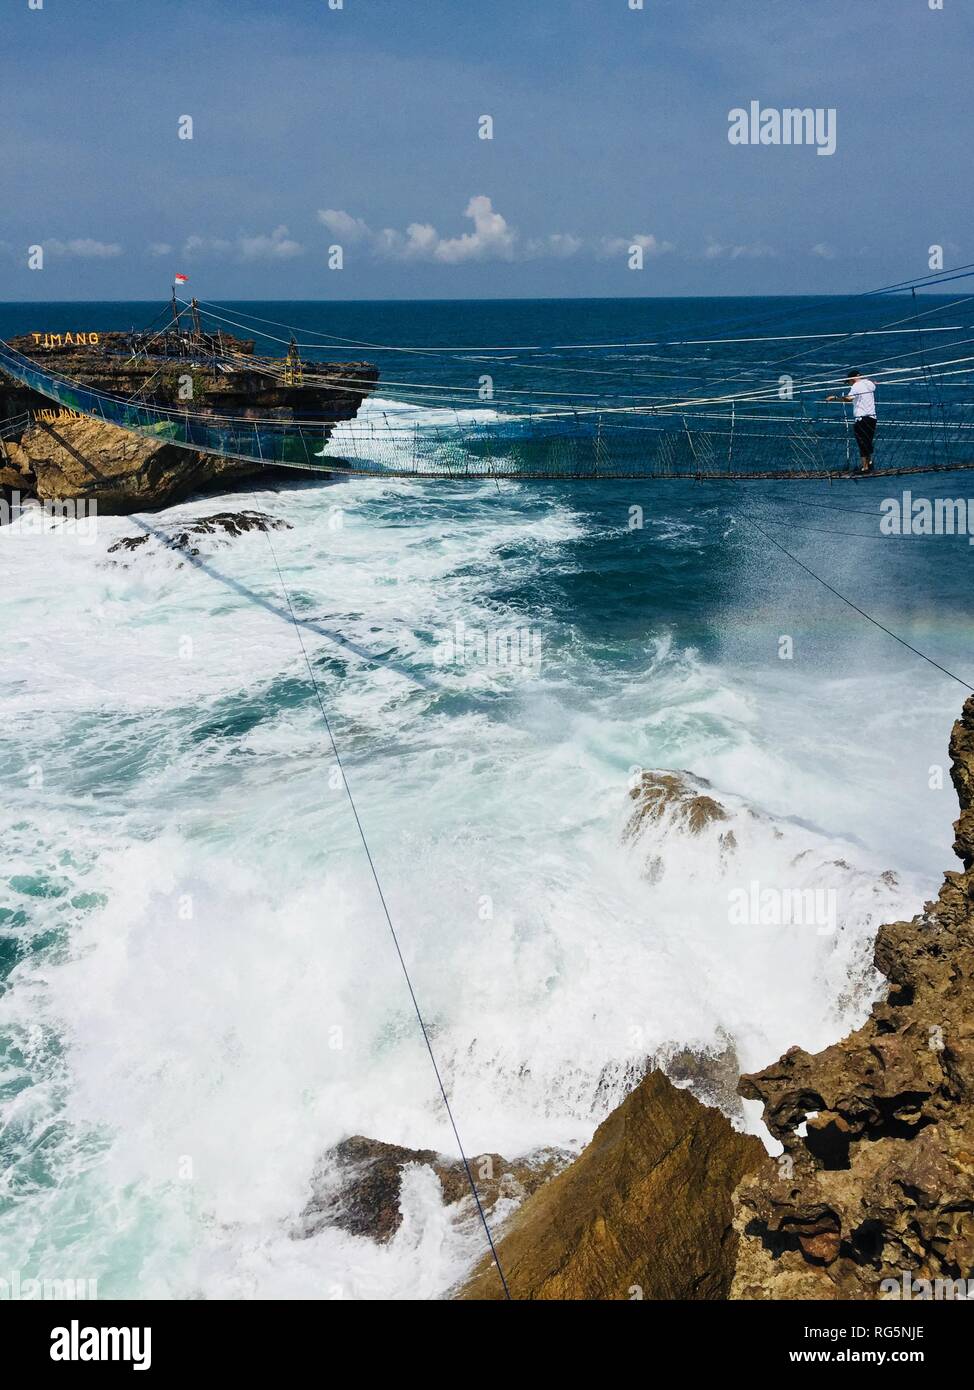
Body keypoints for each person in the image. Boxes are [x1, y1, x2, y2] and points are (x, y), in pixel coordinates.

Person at [826, 370, 877, 473]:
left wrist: (835, 398)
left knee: (861, 442)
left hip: (861, 419)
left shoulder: (856, 386)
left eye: (849, 382)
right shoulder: (869, 383)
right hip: (872, 417)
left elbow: (849, 399)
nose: (849, 384)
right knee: (868, 440)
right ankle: (870, 463)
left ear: (852, 379)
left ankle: (865, 468)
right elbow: (873, 385)